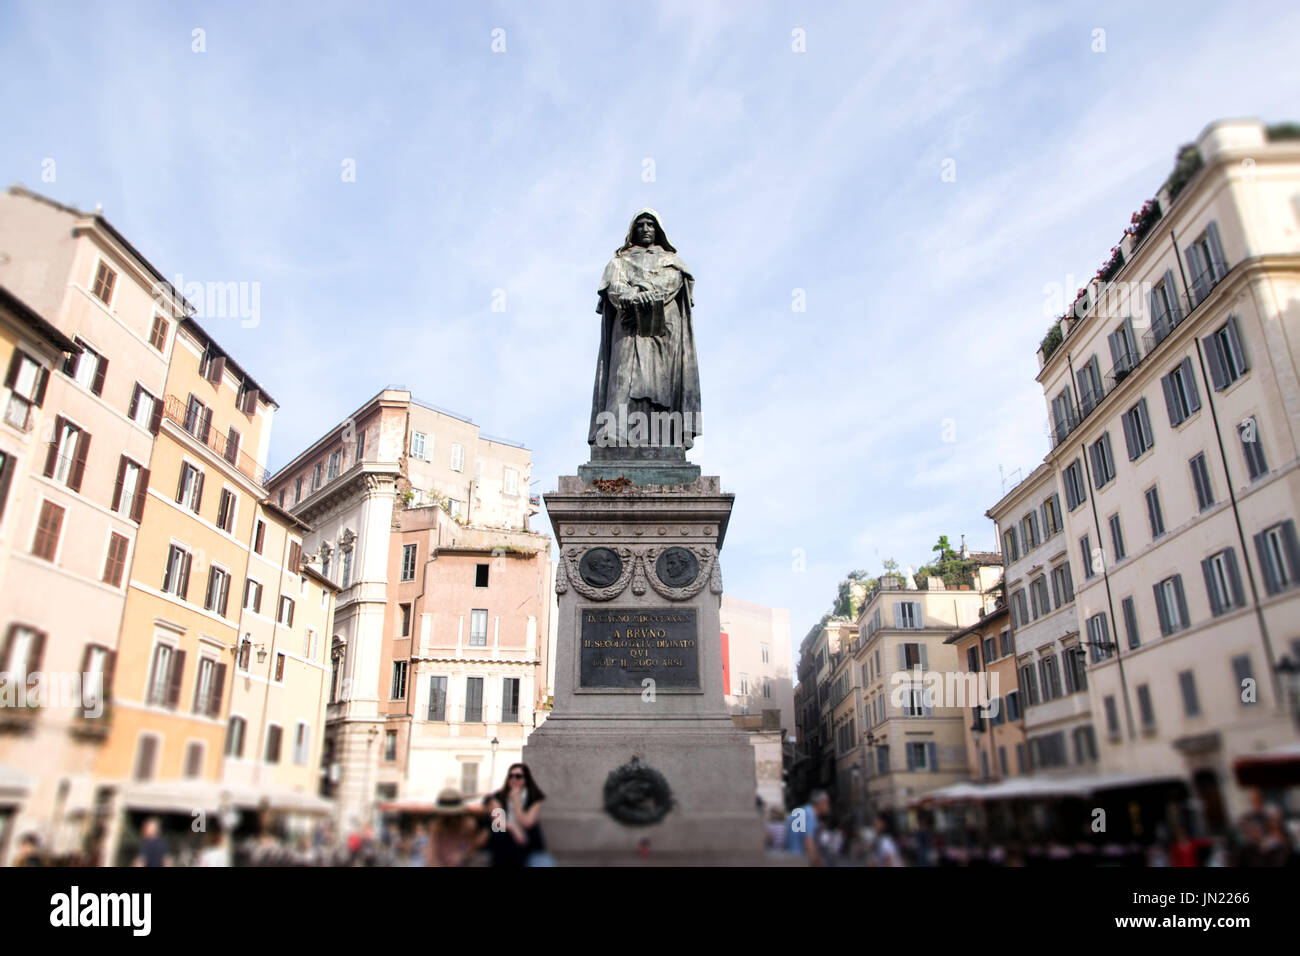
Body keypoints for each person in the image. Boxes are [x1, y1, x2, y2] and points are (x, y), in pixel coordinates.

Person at [485, 763, 550, 867]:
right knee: (502, 836)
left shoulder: (535, 798)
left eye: (518, 776)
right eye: (511, 776)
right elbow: (498, 822)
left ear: (526, 779)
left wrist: (516, 801)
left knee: (522, 843)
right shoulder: (497, 797)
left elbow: (527, 822)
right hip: (505, 840)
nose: (514, 779)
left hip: (528, 842)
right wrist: (514, 830)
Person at [427, 788, 485, 867]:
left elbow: (472, 849)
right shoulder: (436, 826)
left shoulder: (469, 825)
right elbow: (432, 855)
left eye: (452, 814)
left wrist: (462, 856)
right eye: (446, 814)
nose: (450, 817)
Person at [784, 790, 830, 865]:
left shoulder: (803, 810)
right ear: (821, 802)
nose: (828, 806)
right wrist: (817, 862)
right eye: (827, 803)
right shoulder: (810, 814)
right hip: (799, 859)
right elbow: (808, 842)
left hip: (790, 856)